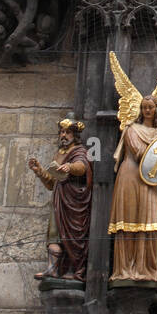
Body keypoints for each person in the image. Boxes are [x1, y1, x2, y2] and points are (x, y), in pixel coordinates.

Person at [108, 85, 157, 284]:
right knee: (129, 220)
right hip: (131, 176)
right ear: (140, 110)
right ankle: (125, 269)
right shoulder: (132, 130)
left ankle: (149, 269)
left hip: (148, 179)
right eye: (144, 107)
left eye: (151, 107)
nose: (147, 110)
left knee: (151, 222)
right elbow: (141, 154)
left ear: (156, 109)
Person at [28, 118, 92, 281]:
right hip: (58, 198)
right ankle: (53, 269)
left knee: (72, 235)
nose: (63, 135)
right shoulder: (59, 154)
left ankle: (74, 269)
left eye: (67, 132)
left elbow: (82, 167)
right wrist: (39, 171)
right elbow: (51, 183)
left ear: (75, 135)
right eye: (62, 132)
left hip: (73, 200)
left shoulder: (79, 151)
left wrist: (70, 167)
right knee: (54, 233)